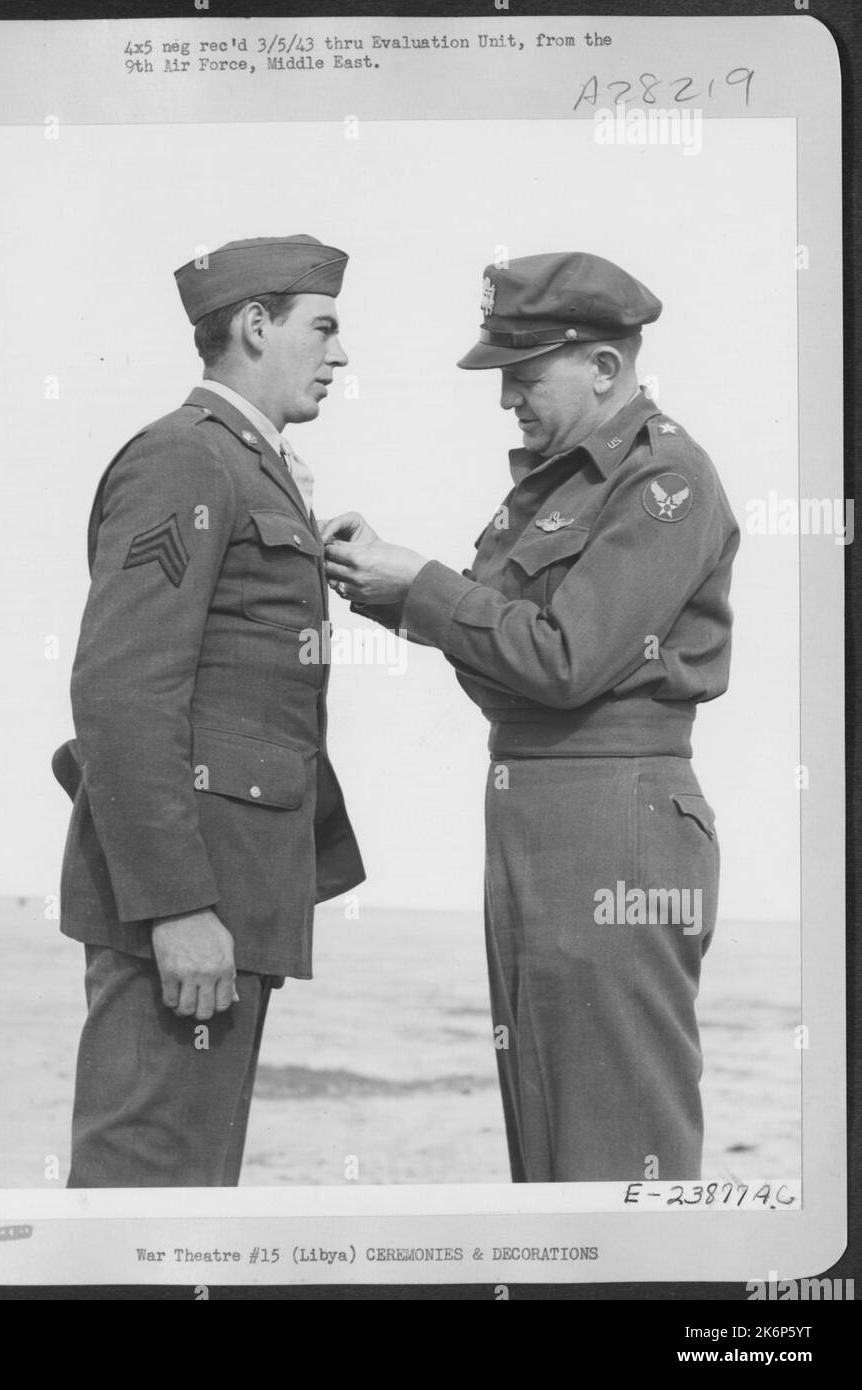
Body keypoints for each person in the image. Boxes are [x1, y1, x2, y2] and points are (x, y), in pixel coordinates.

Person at [323, 251, 740, 1182]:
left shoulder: (664, 477)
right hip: (541, 810)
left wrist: (422, 587)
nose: (508, 395)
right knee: (550, 1131)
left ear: (603, 365)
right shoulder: (558, 482)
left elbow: (561, 660)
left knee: (623, 1143)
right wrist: (389, 589)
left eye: (525, 372)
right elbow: (506, 659)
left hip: (614, 816)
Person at [52, 233, 365, 1187]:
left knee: (189, 1199)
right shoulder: (185, 460)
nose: (341, 356)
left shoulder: (247, 465)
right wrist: (179, 906)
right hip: (188, 908)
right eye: (324, 328)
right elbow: (119, 689)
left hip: (233, 897)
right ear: (255, 326)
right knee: (140, 1187)